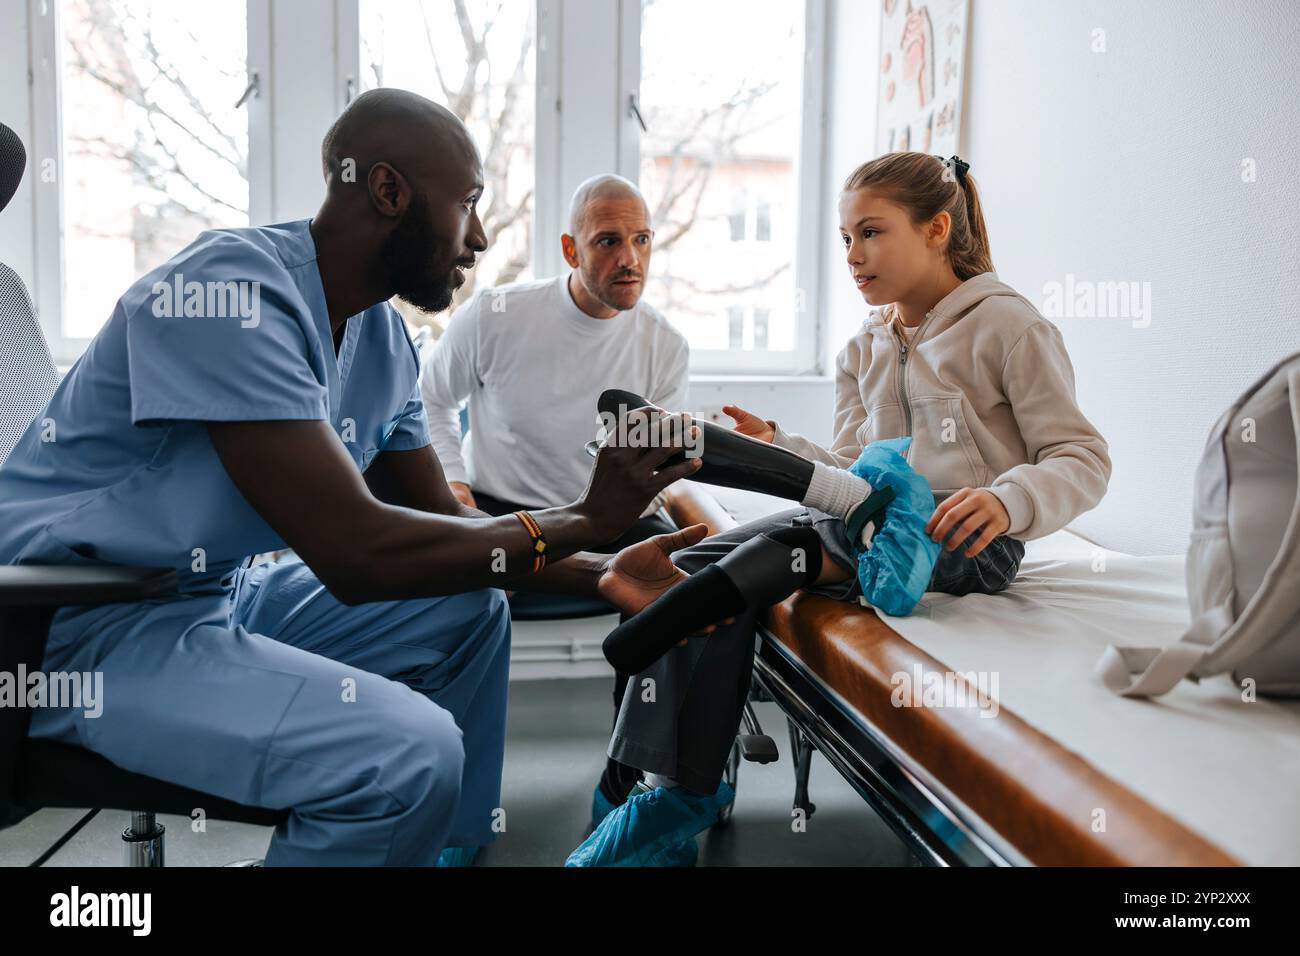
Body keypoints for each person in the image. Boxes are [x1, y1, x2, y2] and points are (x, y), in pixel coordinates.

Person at [0, 89, 707, 866]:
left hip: (215, 596)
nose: (476, 236)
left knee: (469, 602)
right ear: (388, 191)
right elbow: (355, 554)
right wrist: (587, 518)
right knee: (405, 759)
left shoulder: (381, 339)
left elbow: (447, 523)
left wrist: (605, 572)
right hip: (75, 630)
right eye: (467, 202)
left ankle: (442, 851)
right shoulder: (226, 292)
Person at [567, 151, 1113, 866]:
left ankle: (679, 792)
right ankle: (664, 779)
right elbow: (850, 473)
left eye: (871, 233)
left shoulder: (1008, 328)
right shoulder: (866, 347)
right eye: (845, 238)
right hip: (868, 520)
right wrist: (778, 443)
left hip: (965, 538)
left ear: (938, 229)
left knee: (771, 559)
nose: (853, 256)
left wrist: (1009, 501)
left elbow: (1082, 456)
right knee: (706, 568)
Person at [418, 175, 690, 828]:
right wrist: (456, 494)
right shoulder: (496, 316)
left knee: (680, 590)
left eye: (642, 240)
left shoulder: (663, 345)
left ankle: (626, 785)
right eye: (608, 242)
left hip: (608, 520)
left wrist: (687, 514)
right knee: (456, 601)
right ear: (571, 250)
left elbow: (660, 466)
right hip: (500, 517)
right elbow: (426, 401)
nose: (630, 259)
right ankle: (456, 804)